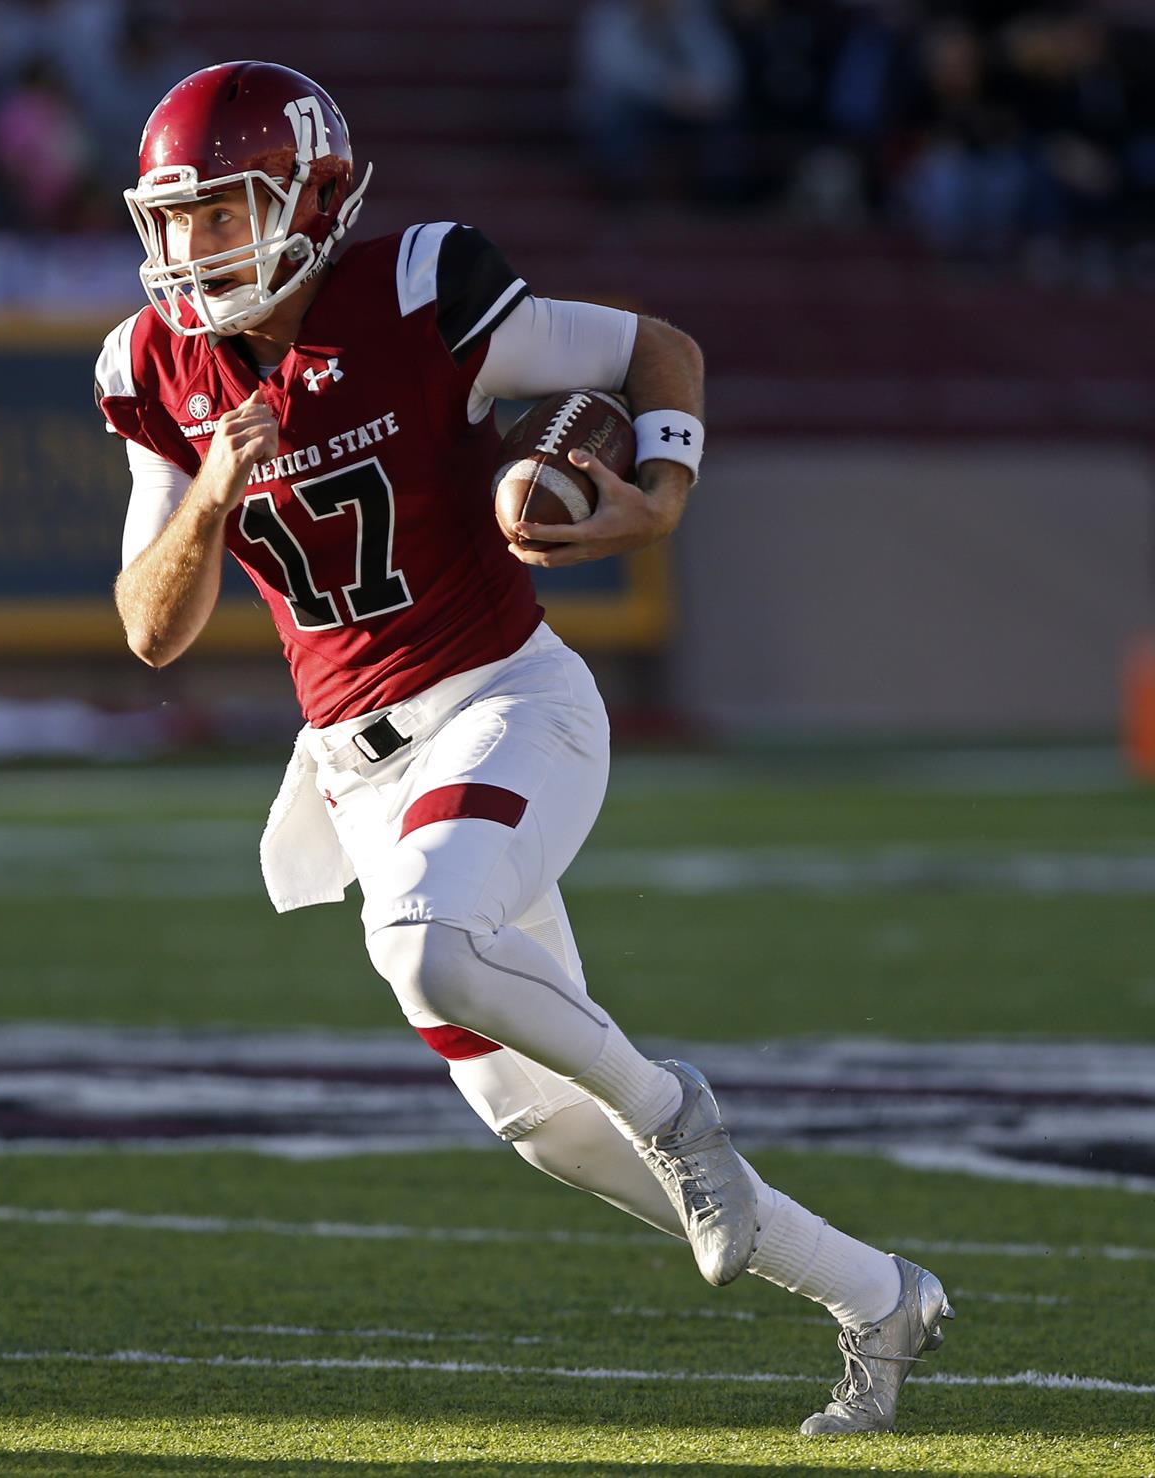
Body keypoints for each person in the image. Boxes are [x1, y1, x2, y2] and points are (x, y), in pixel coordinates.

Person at [97, 63, 952, 1436]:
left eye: (225, 212)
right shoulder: (153, 370)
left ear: (311, 201)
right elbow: (151, 628)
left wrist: (653, 500)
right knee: (543, 1120)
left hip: (506, 704)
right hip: (357, 773)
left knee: (426, 941)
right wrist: (211, 487)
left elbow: (654, 348)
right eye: (176, 218)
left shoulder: (418, 291)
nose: (193, 248)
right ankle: (878, 1296)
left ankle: (683, 1108)